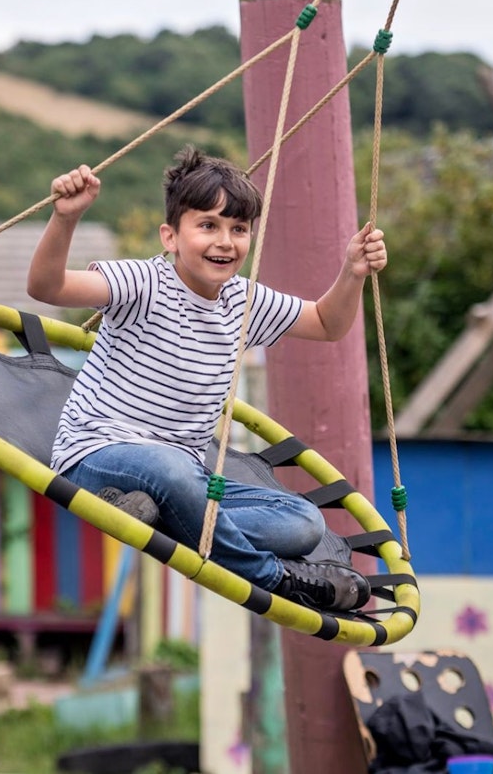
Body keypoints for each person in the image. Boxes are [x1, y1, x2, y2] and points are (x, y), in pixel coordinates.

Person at [26, 146, 388, 612]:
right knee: (173, 471)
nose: (225, 241)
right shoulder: (142, 282)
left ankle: (158, 516)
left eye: (238, 229)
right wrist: (65, 220)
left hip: (185, 482)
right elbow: (46, 287)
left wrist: (353, 271)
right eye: (208, 225)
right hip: (99, 457)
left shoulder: (243, 300)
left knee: (303, 522)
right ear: (171, 236)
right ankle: (276, 578)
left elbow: (326, 324)